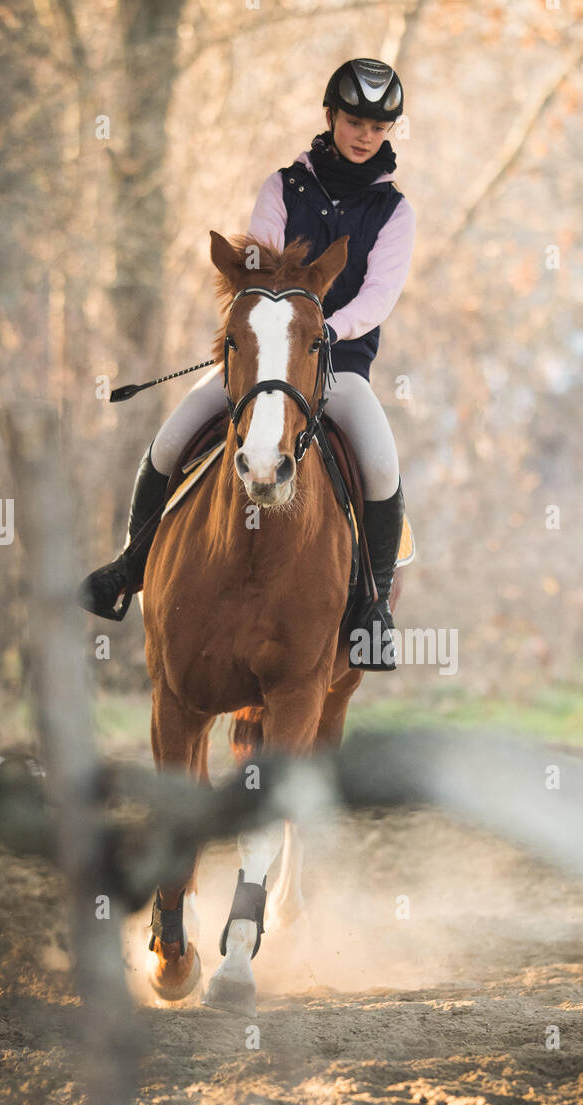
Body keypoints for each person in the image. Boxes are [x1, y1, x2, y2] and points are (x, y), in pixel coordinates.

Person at [79, 57, 414, 671]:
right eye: (355, 120)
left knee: (382, 464)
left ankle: (373, 611)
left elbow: (378, 298)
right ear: (331, 116)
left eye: (380, 124)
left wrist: (319, 334)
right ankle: (130, 566)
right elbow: (258, 273)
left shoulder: (394, 212)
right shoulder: (282, 186)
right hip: (260, 359)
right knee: (169, 438)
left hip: (337, 366)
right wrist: (279, 335)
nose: (366, 133)